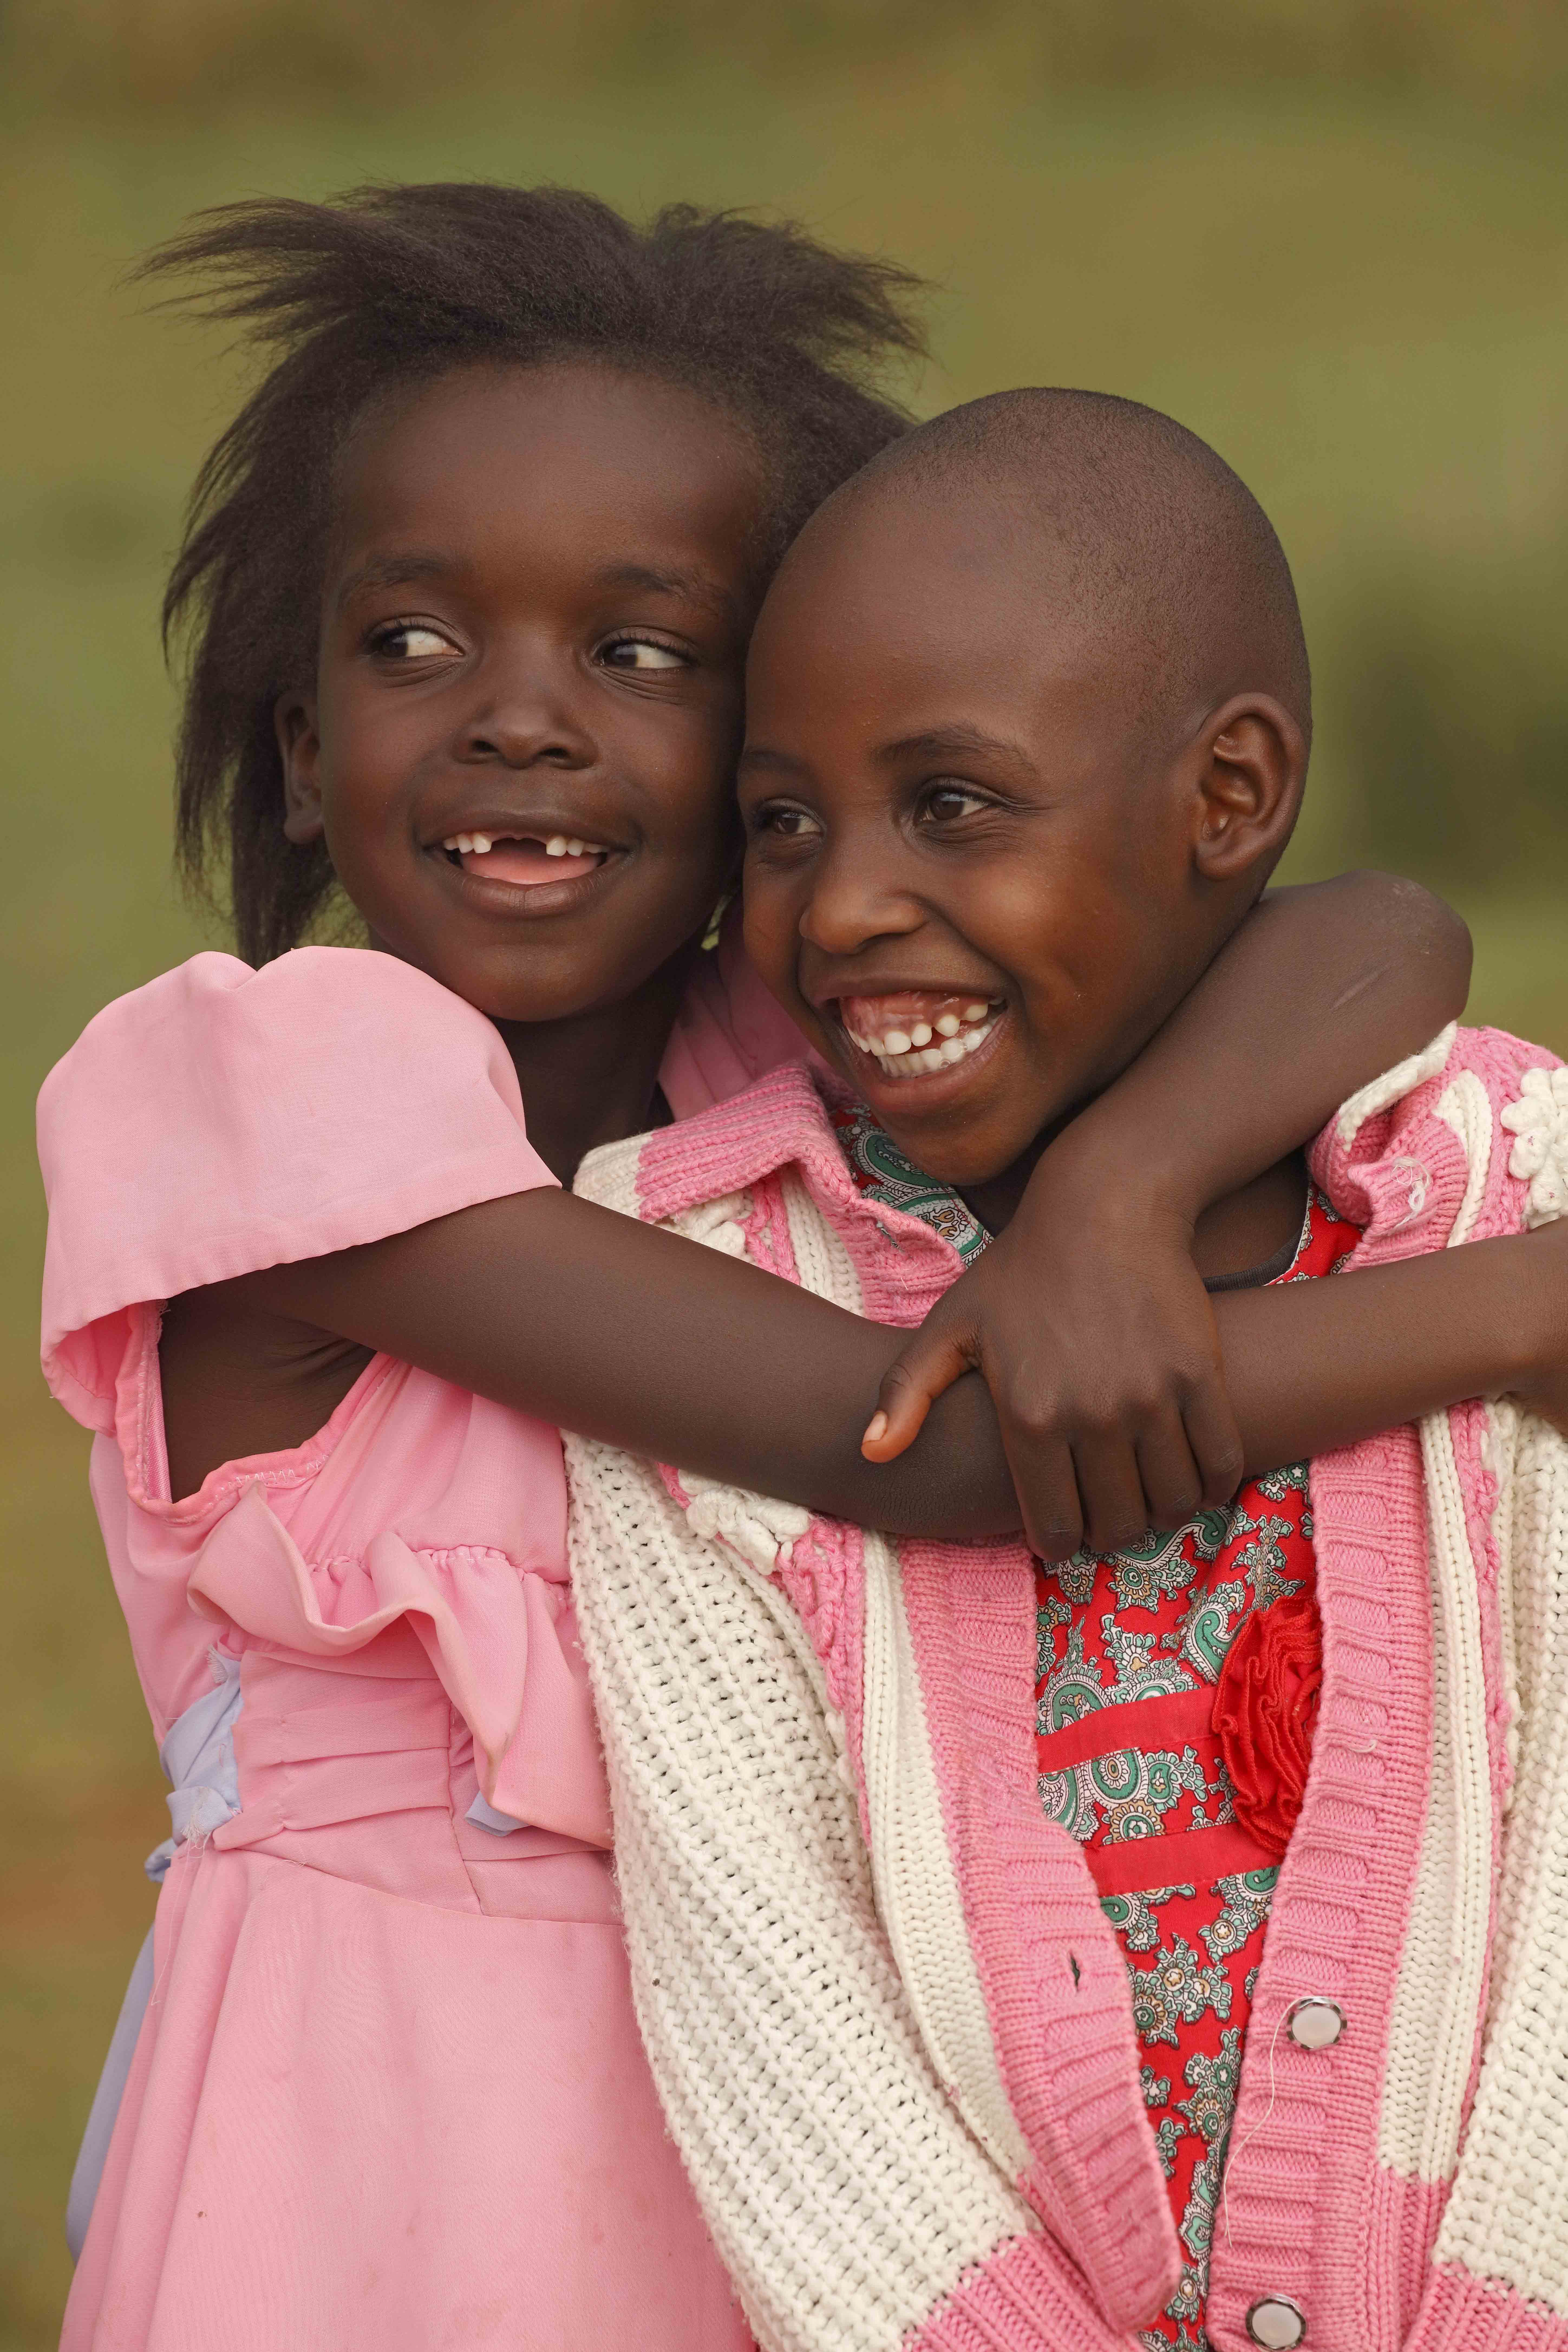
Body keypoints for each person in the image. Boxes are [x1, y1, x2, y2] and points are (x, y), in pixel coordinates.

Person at [34, 185, 1491, 2348]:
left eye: (639, 656)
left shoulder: (786, 1074)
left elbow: (1374, 932)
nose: (517, 720)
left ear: (775, 740)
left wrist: (1114, 1196)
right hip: (367, 2178)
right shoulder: (267, 1094)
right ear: (297, 745)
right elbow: (913, 1453)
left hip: (809, 2171)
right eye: (412, 646)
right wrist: (1521, 1313)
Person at [557, 389, 1568, 2352]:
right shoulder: (711, 1282)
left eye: (954, 804)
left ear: (1228, 797)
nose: (840, 905)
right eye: (782, 822)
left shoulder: (1497, 1189)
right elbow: (765, 1998)